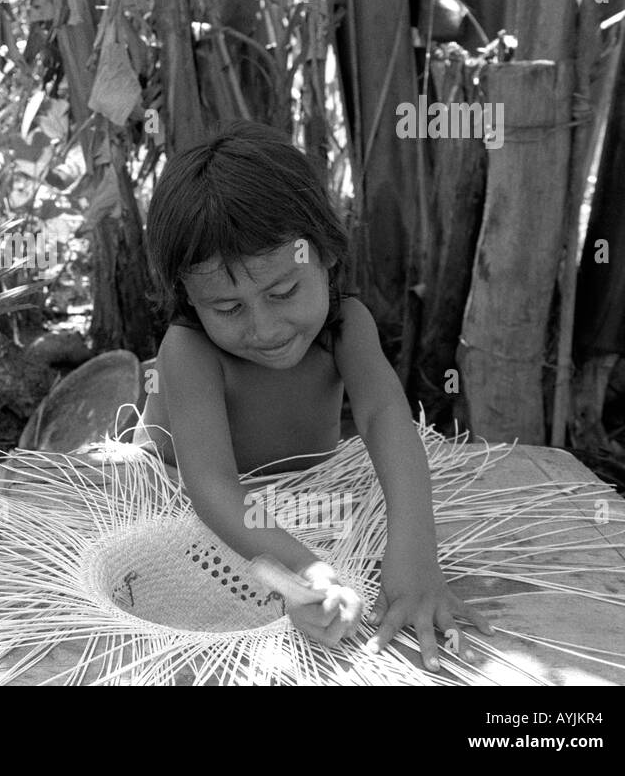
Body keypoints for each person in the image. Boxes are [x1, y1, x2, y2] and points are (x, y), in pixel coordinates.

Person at [135, 120, 490, 671]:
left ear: (323, 254)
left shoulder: (348, 326)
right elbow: (210, 488)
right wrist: (307, 571)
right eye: (227, 309)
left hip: (308, 497)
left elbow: (383, 416)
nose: (265, 328)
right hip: (176, 502)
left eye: (283, 292)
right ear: (189, 299)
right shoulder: (188, 351)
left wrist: (417, 555)